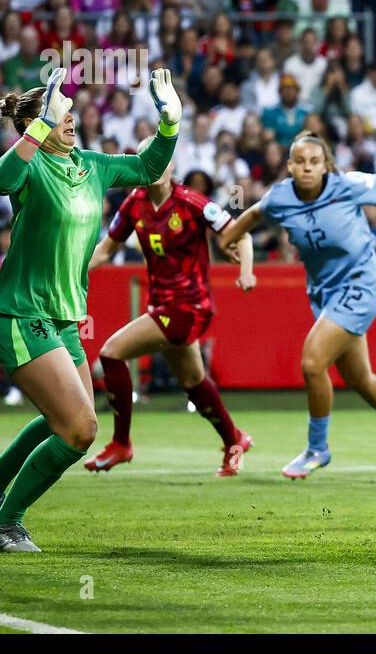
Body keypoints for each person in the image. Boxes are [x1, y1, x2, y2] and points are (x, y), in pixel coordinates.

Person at [0, 67, 183, 552]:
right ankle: (5, 523)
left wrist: (170, 124)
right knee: (79, 428)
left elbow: (147, 168)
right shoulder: (31, 164)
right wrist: (39, 127)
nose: (71, 120)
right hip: (16, 315)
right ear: (39, 121)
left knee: (73, 417)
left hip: (59, 318)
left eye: (70, 113)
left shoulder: (91, 165)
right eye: (61, 113)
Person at [216, 133, 376, 479]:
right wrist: (232, 246)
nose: (307, 169)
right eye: (300, 163)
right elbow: (244, 223)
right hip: (324, 293)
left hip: (362, 282)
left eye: (314, 162)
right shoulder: (279, 199)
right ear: (290, 166)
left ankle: (317, 448)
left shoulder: (347, 184)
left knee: (311, 362)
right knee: (361, 379)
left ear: (325, 166)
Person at [84, 153, 255, 477]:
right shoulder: (134, 203)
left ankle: (121, 443)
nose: (155, 167)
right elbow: (107, 248)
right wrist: (74, 271)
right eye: (148, 161)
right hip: (161, 305)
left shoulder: (191, 202)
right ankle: (234, 440)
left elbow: (241, 233)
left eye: (160, 160)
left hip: (191, 307)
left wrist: (246, 270)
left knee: (111, 352)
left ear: (171, 165)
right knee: (193, 382)